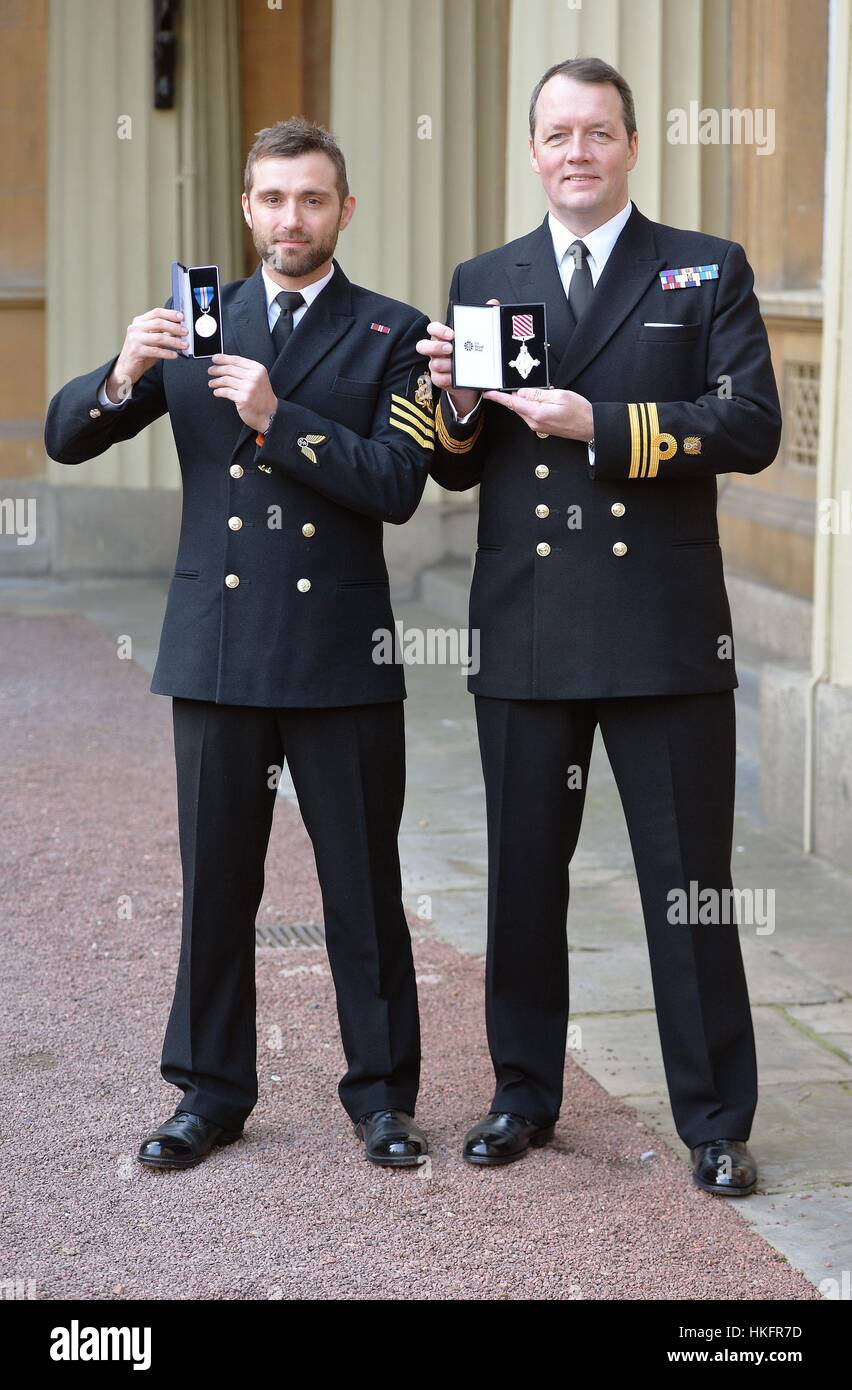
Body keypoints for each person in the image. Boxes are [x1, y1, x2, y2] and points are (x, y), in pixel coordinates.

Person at [417, 58, 782, 1194]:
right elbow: (455, 467)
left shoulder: (704, 267)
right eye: (557, 134)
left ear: (631, 146)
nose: (577, 151)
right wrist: (457, 412)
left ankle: (716, 1118)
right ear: (533, 152)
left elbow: (751, 425)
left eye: (598, 133)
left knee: (689, 882)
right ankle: (522, 1094)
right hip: (527, 627)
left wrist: (600, 424)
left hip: (664, 629)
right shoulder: (489, 275)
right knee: (524, 877)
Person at [44, 118, 436, 1170]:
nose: (289, 219)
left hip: (339, 651)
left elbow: (400, 484)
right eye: (271, 198)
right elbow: (66, 434)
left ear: (344, 211)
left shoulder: (390, 332)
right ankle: (209, 1094)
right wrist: (123, 371)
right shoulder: (194, 324)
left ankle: (383, 1098)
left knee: (361, 880)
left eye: (311, 199)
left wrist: (278, 415)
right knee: (218, 882)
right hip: (219, 650)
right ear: (249, 207)